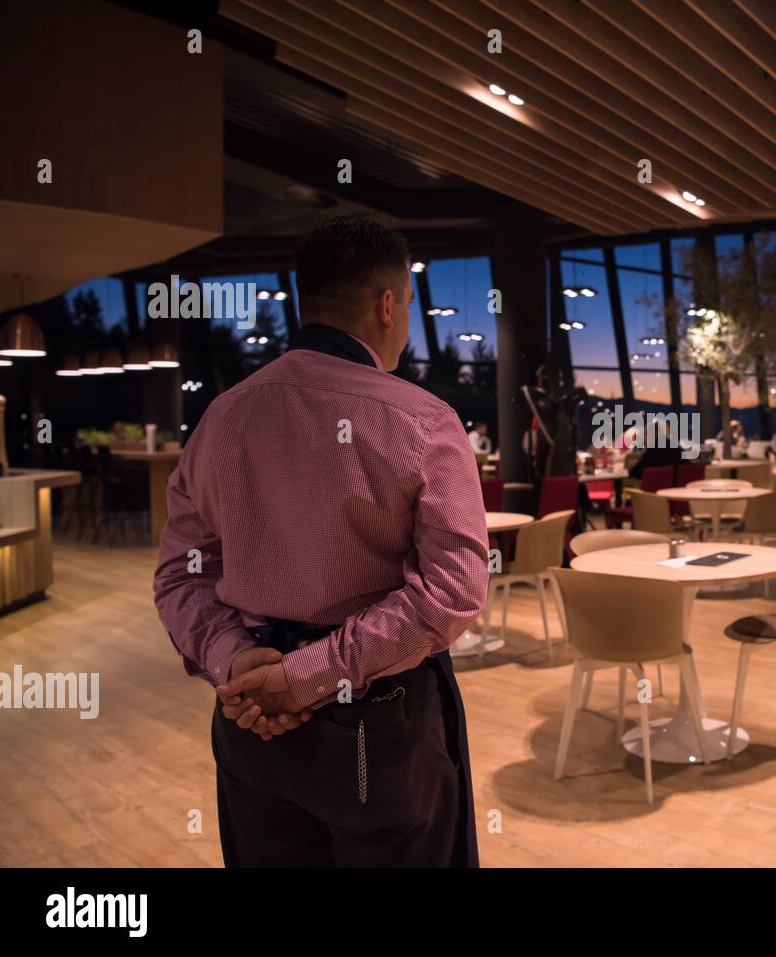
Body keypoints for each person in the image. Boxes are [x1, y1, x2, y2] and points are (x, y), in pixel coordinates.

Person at [153, 216, 489, 867]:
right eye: (411, 307)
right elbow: (451, 592)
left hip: (250, 727)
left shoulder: (222, 417)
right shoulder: (423, 420)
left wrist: (238, 661)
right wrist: (306, 678)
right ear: (387, 306)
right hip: (379, 734)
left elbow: (181, 574)